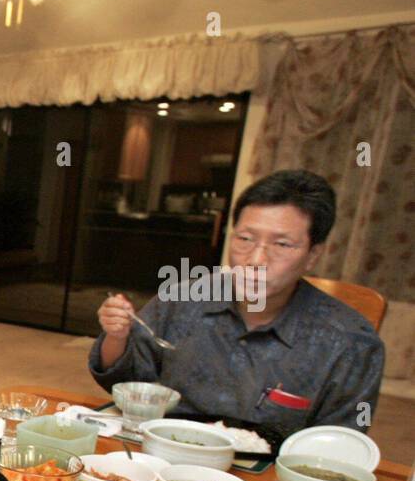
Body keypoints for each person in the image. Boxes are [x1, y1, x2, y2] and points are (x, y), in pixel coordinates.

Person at [90, 169, 385, 440]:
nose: (255, 260)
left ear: (313, 255)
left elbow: (338, 448)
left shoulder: (351, 342)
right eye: (245, 239)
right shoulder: (181, 299)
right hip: (166, 453)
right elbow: (128, 386)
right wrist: (118, 338)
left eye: (282, 245)